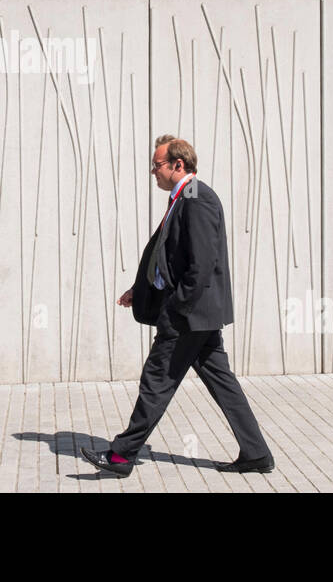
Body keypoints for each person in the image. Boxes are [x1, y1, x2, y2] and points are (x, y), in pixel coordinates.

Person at [81, 134, 276, 477]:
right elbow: (169, 257)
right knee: (222, 383)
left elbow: (201, 265)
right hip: (198, 315)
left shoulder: (197, 198)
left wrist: (176, 309)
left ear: (178, 164)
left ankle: (121, 456)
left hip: (188, 316)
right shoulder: (184, 198)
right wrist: (140, 289)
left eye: (156, 165)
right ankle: (256, 453)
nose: (153, 172)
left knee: (156, 381)